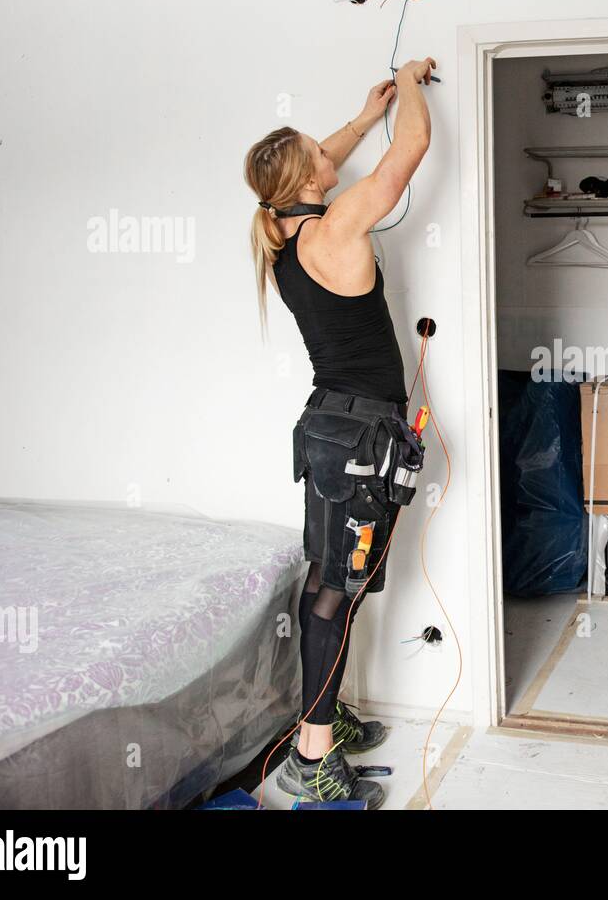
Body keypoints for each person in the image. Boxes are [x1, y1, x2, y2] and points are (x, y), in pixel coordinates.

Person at [242, 57, 436, 805]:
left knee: (331, 584)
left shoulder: (289, 234)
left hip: (337, 435)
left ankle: (319, 719)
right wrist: (411, 82)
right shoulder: (334, 228)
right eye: (324, 153)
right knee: (335, 592)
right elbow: (409, 149)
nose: (335, 153)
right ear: (311, 178)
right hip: (356, 440)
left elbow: (320, 161)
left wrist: (362, 113)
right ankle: (313, 758)